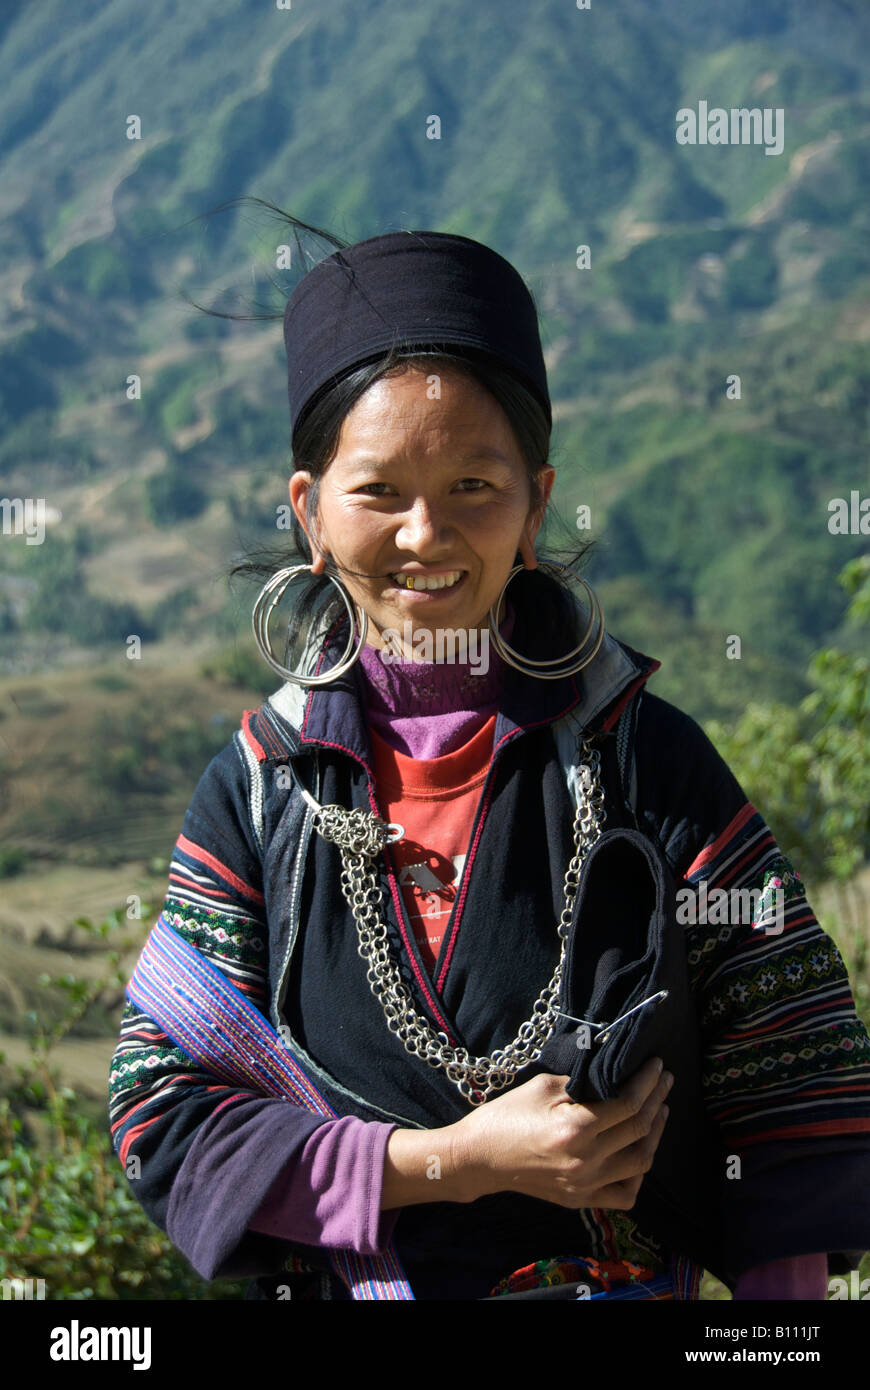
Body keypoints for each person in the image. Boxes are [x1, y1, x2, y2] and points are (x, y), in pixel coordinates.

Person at [108, 220, 870, 1302]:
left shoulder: (649, 761)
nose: (427, 535)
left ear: (536, 503)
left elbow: (789, 1089)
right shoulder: (260, 791)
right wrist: (455, 1163)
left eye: (475, 485)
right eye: (377, 492)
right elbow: (160, 1112)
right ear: (309, 511)